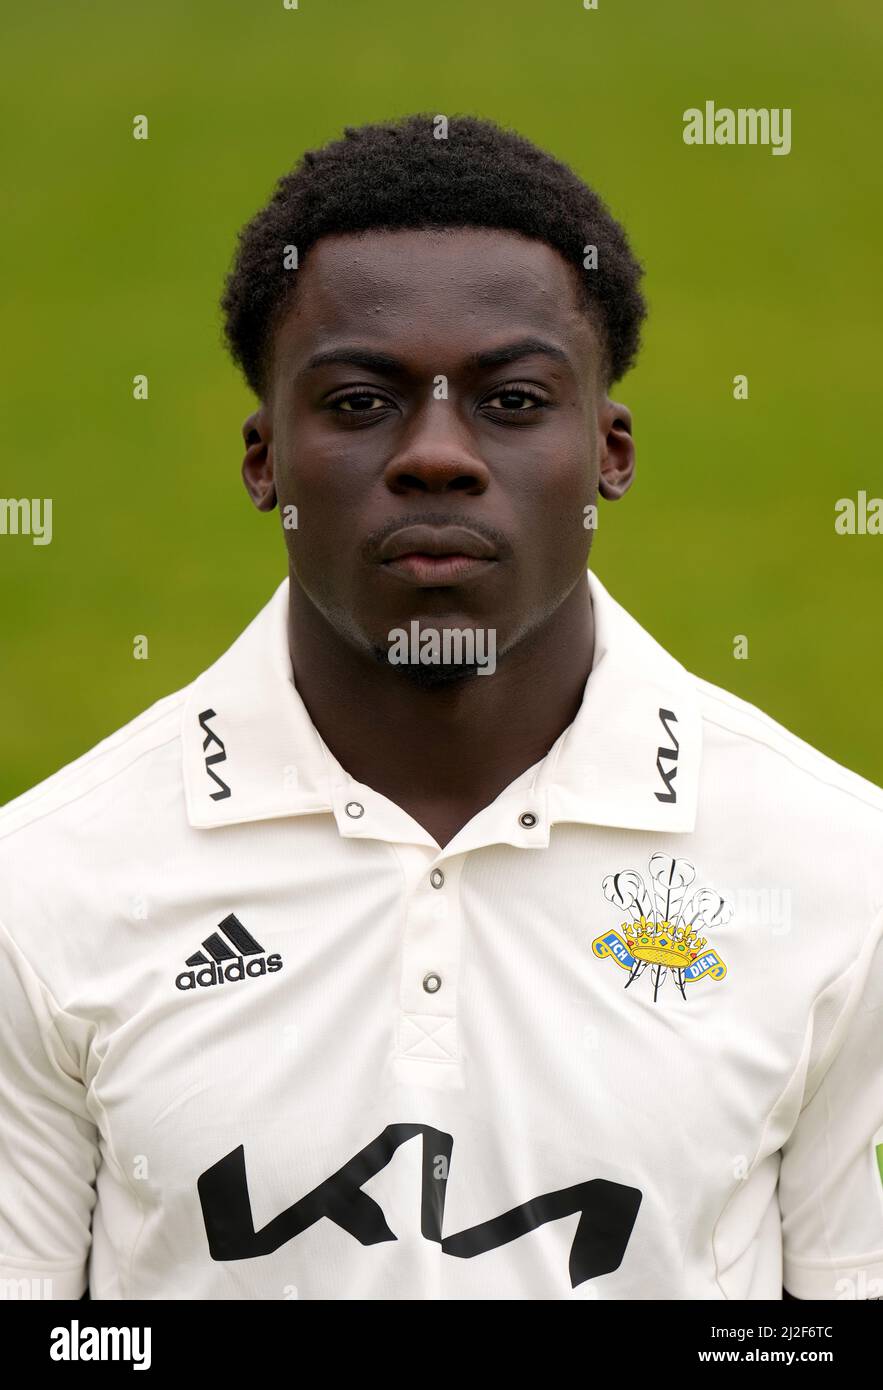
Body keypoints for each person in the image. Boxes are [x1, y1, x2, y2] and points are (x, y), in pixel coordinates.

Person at [1, 114, 880, 1302]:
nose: (434, 456)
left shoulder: (836, 870)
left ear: (608, 449)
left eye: (512, 400)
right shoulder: (46, 884)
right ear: (264, 460)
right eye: (360, 403)